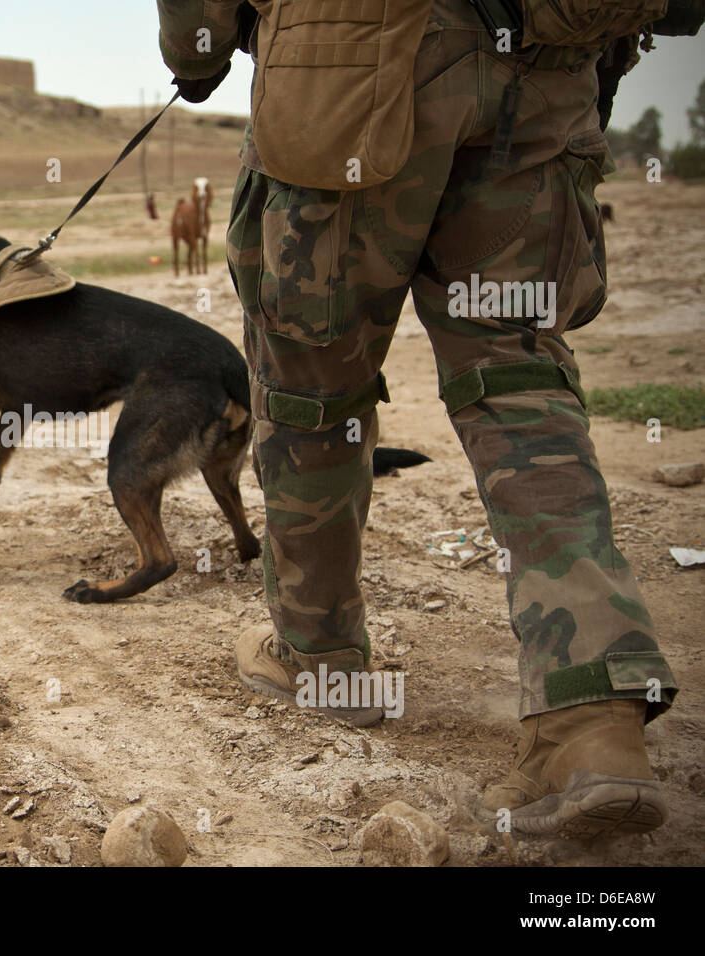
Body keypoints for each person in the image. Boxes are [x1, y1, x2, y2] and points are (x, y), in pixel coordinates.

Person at [155, 0, 693, 838]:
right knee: (521, 386)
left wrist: (196, 55)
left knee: (311, 393)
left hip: (342, 85)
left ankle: (323, 658)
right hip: (542, 89)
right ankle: (592, 722)